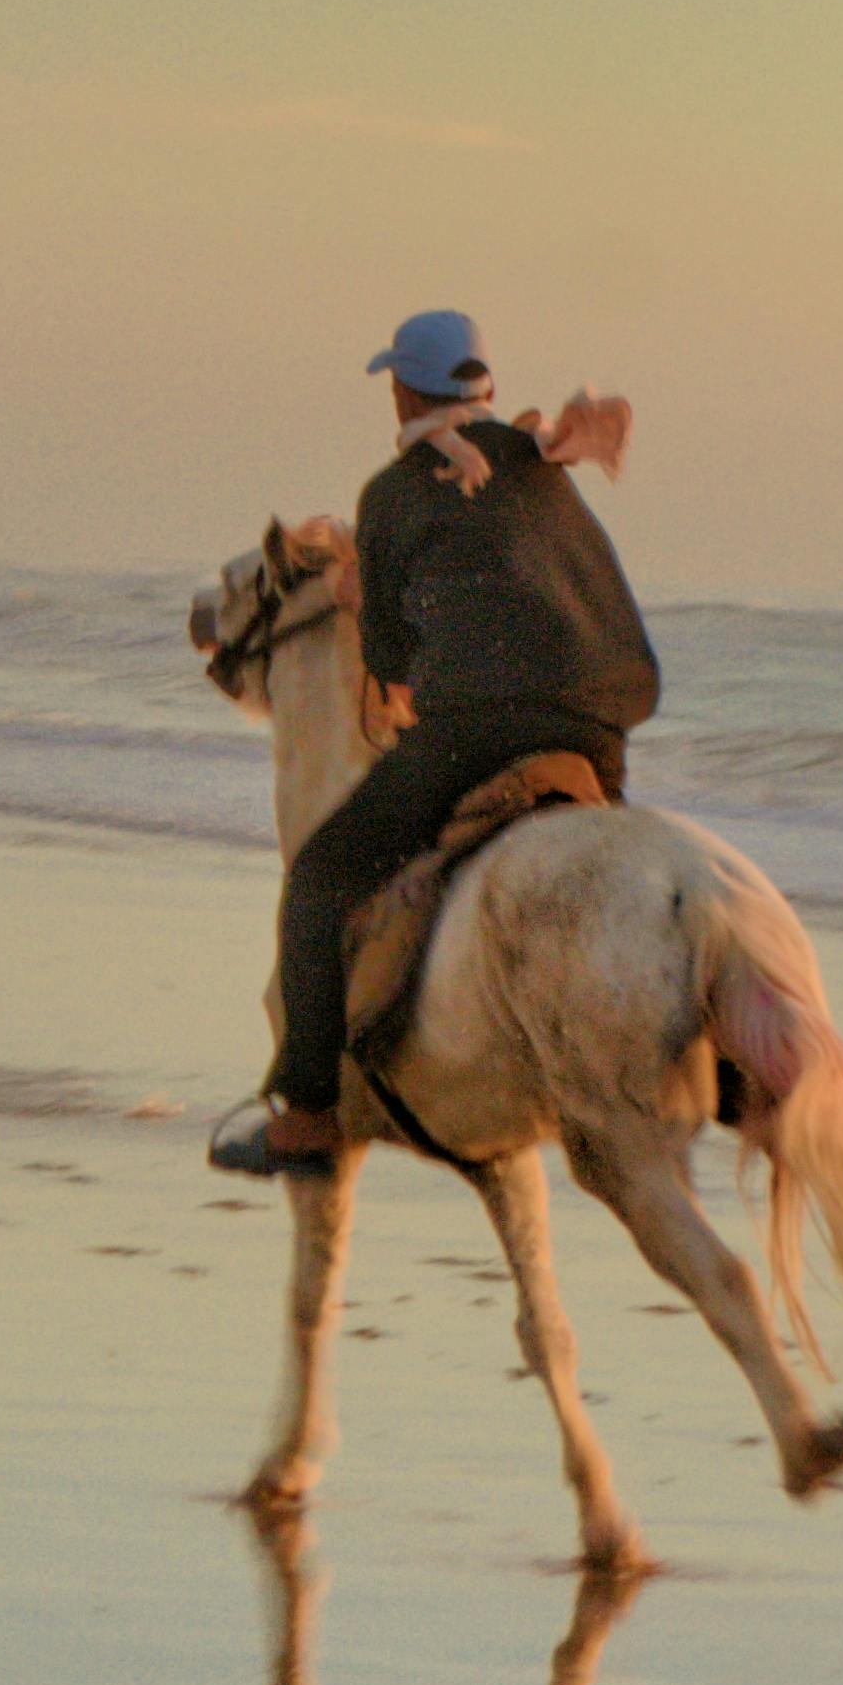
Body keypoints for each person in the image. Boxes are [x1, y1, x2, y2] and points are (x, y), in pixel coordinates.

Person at [209, 308, 661, 1175]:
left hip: (479, 732)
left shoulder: (393, 490)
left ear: (404, 391)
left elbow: (389, 662)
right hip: (601, 727)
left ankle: (307, 1116)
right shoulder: (540, 464)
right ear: (485, 385)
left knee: (319, 882)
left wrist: (373, 605)